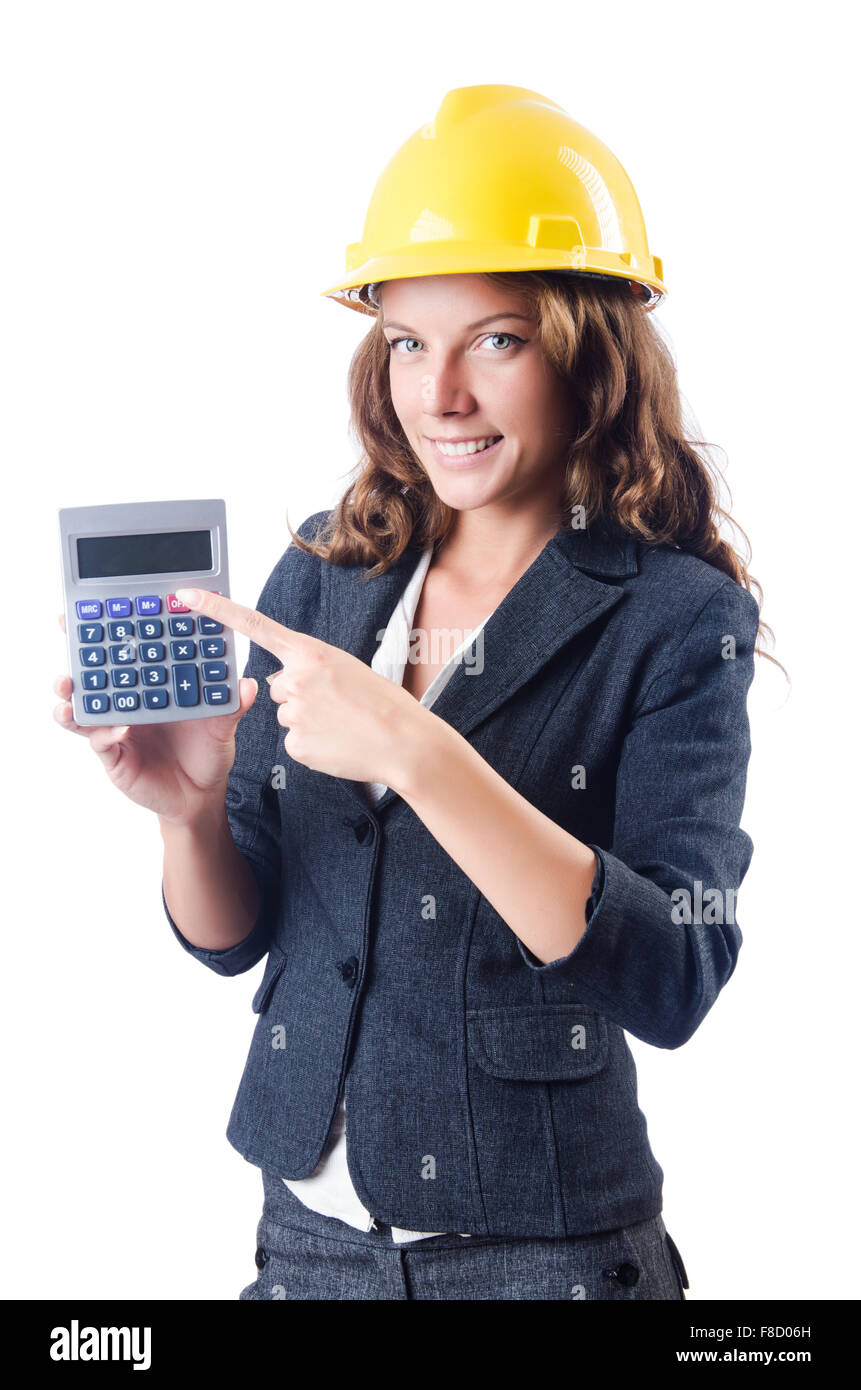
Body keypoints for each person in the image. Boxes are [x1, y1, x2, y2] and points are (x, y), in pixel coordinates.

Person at [52, 84, 779, 1300]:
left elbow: (673, 974)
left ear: (588, 355)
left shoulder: (674, 618)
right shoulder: (327, 573)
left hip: (539, 1260)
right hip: (307, 1249)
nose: (439, 395)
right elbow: (236, 934)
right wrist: (188, 813)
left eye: (496, 339)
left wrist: (418, 752)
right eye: (406, 343)